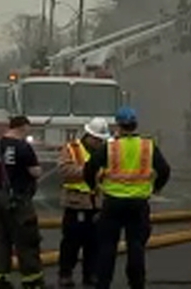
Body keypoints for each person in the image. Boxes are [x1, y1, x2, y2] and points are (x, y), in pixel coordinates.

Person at [85, 106, 171, 289]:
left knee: (107, 248)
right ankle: (137, 283)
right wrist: (156, 188)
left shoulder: (110, 147)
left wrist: (94, 188)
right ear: (135, 125)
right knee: (136, 246)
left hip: (112, 203)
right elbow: (164, 169)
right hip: (138, 204)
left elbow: (89, 168)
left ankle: (103, 284)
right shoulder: (148, 146)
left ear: (118, 126)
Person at [0, 114, 44, 288]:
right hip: (17, 201)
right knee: (27, 241)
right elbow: (35, 172)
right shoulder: (23, 147)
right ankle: (32, 281)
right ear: (23, 127)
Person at [58, 117, 112, 288]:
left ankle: (91, 275)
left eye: (102, 140)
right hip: (76, 203)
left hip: (97, 204)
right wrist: (89, 171)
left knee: (94, 243)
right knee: (71, 243)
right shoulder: (72, 149)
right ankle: (65, 274)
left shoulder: (105, 151)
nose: (99, 143)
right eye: (98, 139)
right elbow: (65, 170)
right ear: (89, 136)